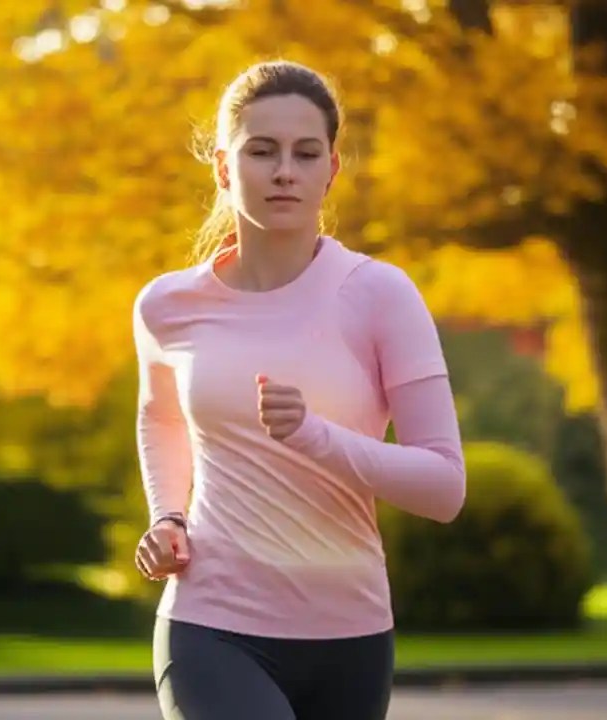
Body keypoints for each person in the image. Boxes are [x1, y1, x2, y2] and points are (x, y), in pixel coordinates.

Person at [132, 60, 467, 720]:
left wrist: (316, 437)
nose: (284, 170)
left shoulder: (380, 296)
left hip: (351, 634)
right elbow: (161, 418)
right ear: (225, 169)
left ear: (330, 170)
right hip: (211, 625)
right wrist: (168, 515)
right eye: (262, 152)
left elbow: (444, 487)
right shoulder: (167, 305)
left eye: (305, 153)